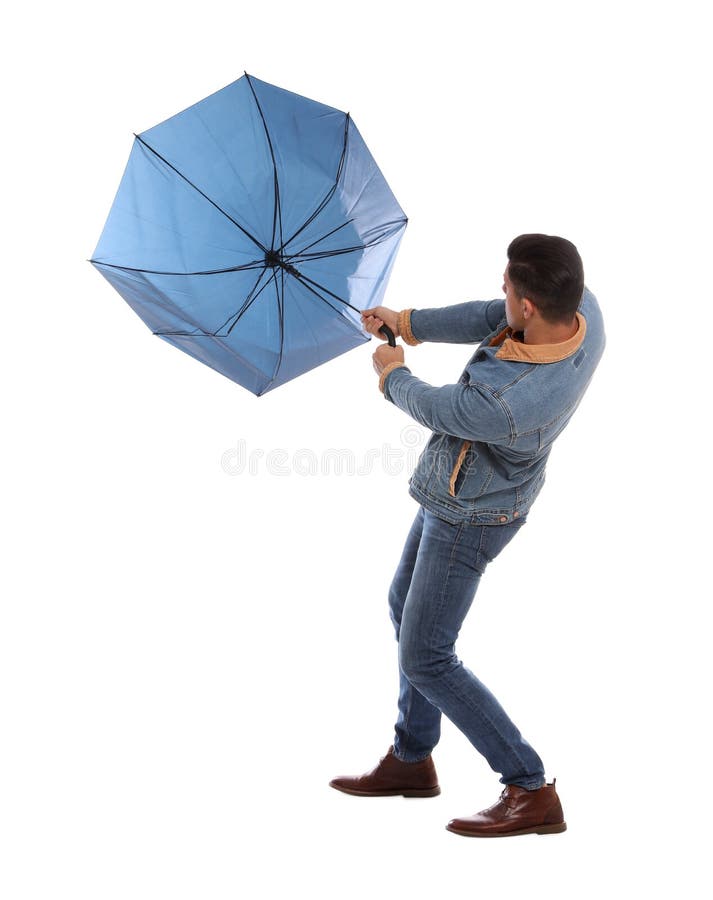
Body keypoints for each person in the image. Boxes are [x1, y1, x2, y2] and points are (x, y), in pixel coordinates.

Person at [328, 233, 606, 838]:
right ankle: (411, 759)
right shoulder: (584, 311)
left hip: (472, 516)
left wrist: (390, 371)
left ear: (528, 306)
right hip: (455, 487)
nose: (502, 293)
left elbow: (440, 408)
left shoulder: (507, 403)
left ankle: (529, 787)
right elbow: (489, 316)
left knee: (426, 654)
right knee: (405, 606)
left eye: (509, 288)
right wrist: (407, 322)